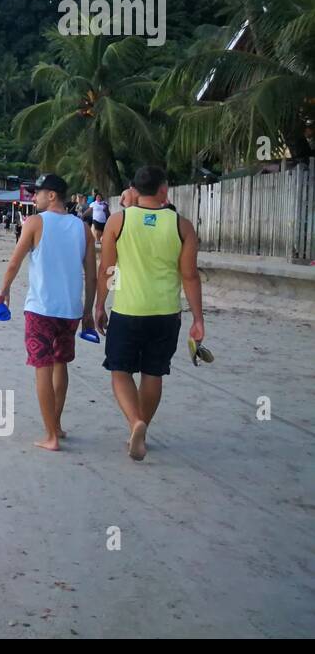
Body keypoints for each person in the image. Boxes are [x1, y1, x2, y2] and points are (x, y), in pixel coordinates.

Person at [96, 165, 204, 462]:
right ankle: (142, 427)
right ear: (164, 189)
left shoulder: (118, 221)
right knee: (153, 372)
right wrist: (198, 318)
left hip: (128, 311)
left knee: (120, 372)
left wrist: (98, 304)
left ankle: (135, 423)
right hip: (166, 314)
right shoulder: (182, 226)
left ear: (133, 190)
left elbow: (108, 268)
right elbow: (190, 276)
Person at [0, 173, 96, 451]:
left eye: (37, 193)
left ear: (51, 195)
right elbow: (92, 275)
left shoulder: (35, 223)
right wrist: (87, 311)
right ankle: (58, 425)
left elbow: (14, 262)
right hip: (70, 310)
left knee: (43, 366)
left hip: (41, 308)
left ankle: (50, 435)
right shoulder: (82, 228)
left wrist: (3, 292)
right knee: (60, 363)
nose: (33, 197)